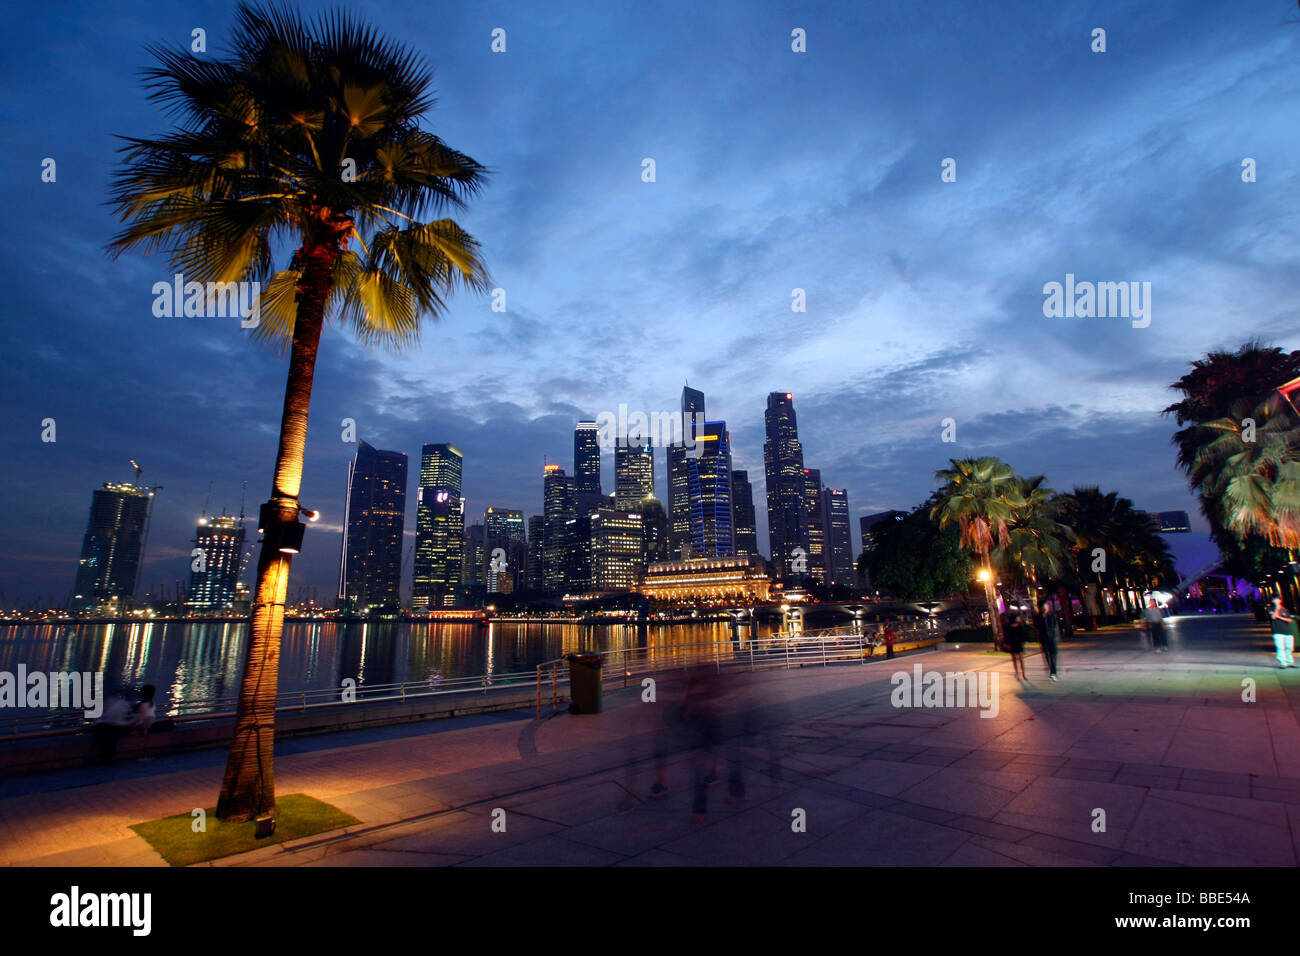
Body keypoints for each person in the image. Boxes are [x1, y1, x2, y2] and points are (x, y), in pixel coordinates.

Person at [1036, 601, 1061, 680]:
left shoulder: (1051, 615)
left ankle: (1054, 672)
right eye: (1043, 606)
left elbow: (1054, 626)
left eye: (1046, 606)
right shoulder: (1038, 616)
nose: (1045, 608)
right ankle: (1052, 671)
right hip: (1044, 639)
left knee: (1053, 655)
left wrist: (1056, 636)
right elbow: (1037, 627)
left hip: (1052, 638)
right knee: (1047, 656)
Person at [1269, 597, 1295, 669]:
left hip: (1287, 631)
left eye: (1277, 599)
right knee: (1280, 648)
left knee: (1289, 647)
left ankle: (1290, 662)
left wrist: (1280, 617)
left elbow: (1290, 620)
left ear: (1280, 600)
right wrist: (1277, 607)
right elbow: (1273, 617)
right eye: (1274, 600)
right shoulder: (1271, 609)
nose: (1276, 601)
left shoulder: (1285, 609)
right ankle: (1283, 663)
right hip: (1277, 631)